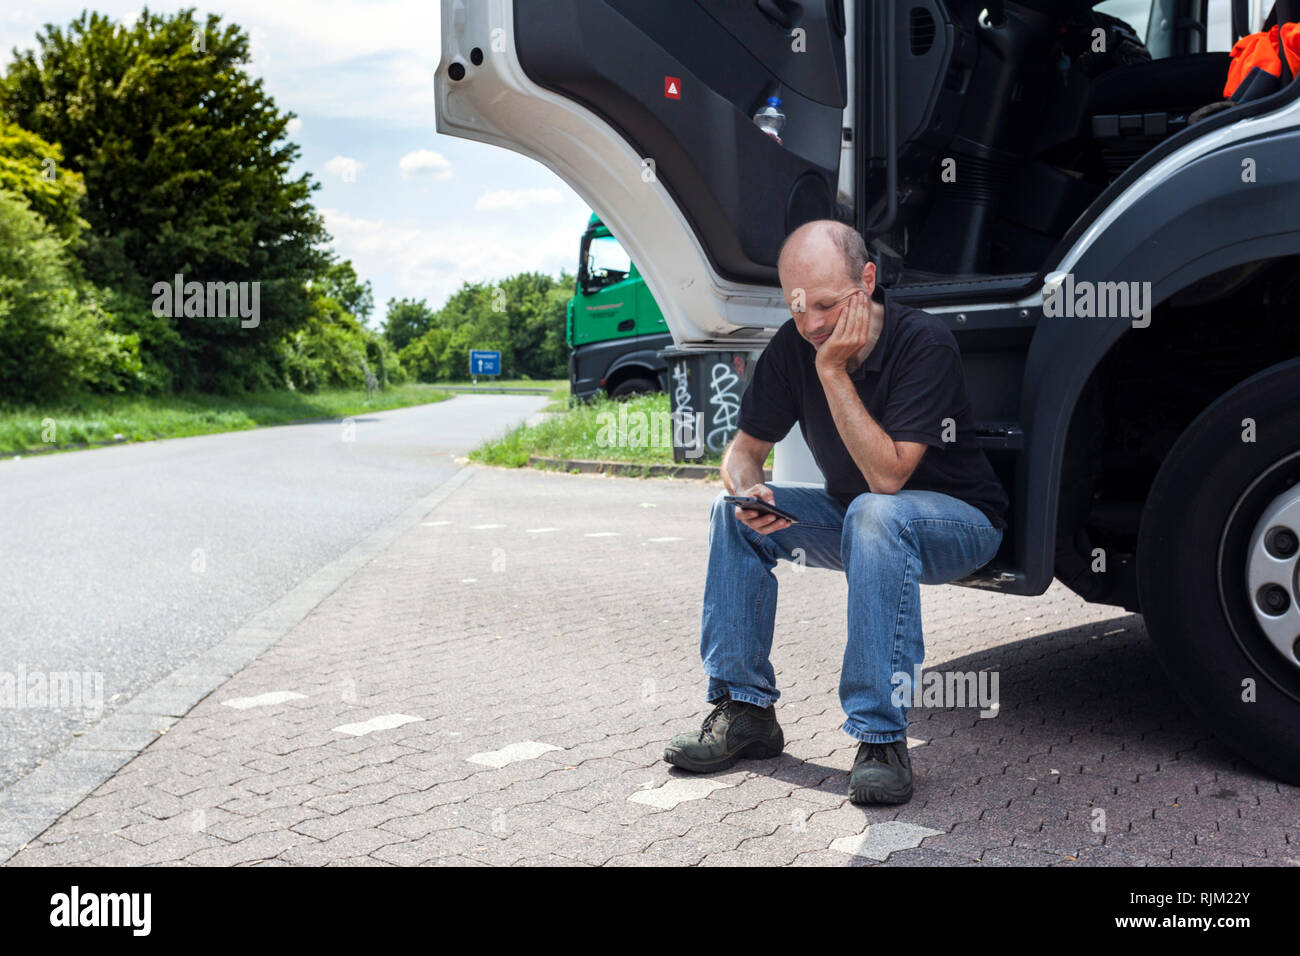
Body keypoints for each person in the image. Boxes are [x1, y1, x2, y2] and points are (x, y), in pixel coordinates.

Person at [662, 219, 1009, 805]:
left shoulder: (922, 342)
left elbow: (888, 476)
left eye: (826, 304)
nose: (813, 324)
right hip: (856, 518)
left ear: (867, 281)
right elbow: (741, 453)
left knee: (877, 511)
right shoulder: (791, 345)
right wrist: (752, 491)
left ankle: (879, 735)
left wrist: (832, 372)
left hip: (960, 524)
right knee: (731, 516)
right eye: (798, 309)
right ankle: (745, 710)